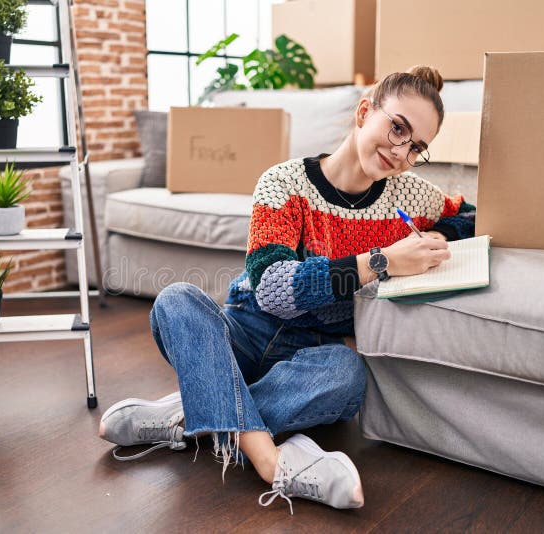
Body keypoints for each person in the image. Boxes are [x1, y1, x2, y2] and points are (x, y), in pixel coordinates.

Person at [98, 65, 475, 514]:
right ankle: (269, 460)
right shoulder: (282, 183)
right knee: (176, 301)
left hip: (311, 353)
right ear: (363, 112)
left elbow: (469, 213)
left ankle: (192, 414)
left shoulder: (410, 196)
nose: (401, 152)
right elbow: (275, 289)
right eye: (397, 128)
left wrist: (441, 238)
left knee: (347, 376)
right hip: (243, 331)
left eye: (417, 147)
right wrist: (384, 261)